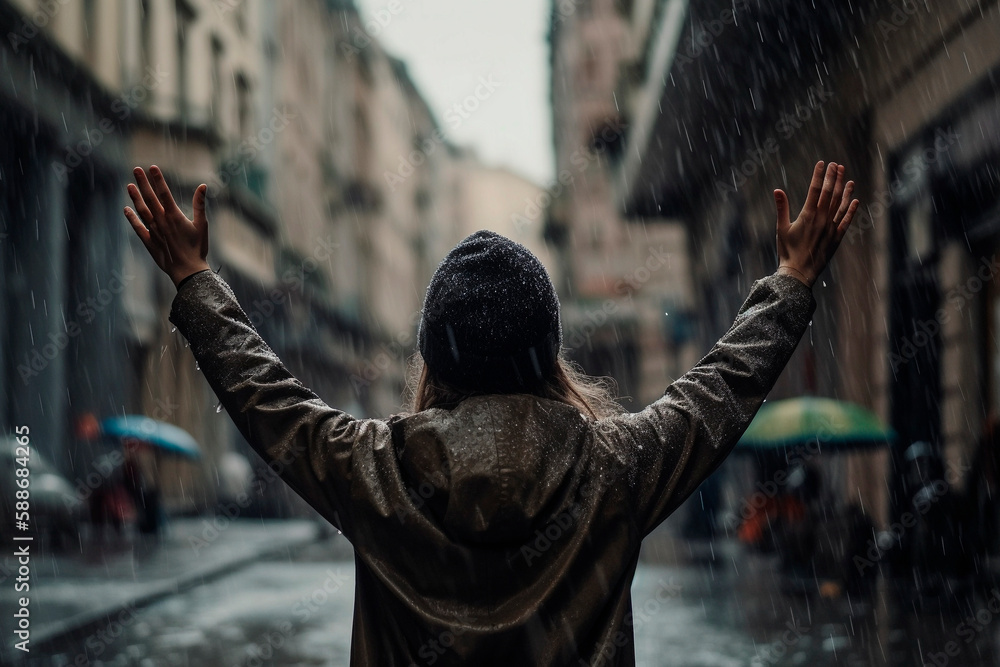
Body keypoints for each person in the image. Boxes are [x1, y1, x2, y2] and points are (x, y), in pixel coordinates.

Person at [123, 161, 858, 665]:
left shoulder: (374, 468)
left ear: (433, 364)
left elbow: (266, 397)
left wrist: (194, 278)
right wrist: (792, 280)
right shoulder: (614, 467)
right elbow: (720, 390)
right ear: (547, 357)